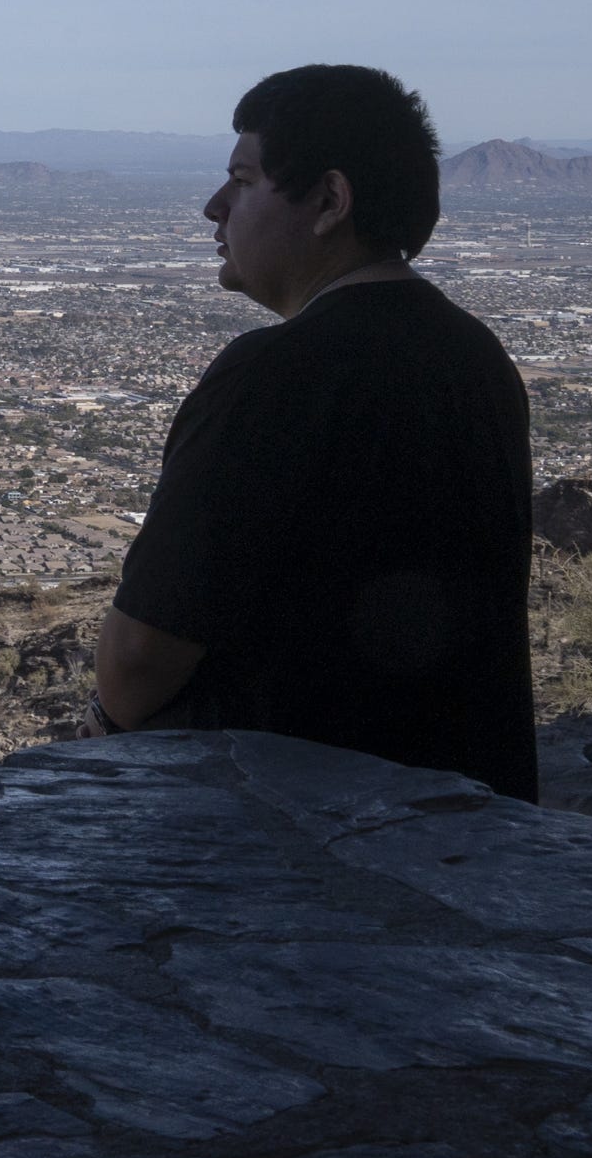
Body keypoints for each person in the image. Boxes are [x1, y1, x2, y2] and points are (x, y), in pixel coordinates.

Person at [92, 63, 537, 800]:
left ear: (330, 201)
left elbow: (138, 661)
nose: (214, 207)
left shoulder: (273, 376)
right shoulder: (475, 356)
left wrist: (106, 723)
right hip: (466, 816)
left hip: (292, 830)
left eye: (242, 179)